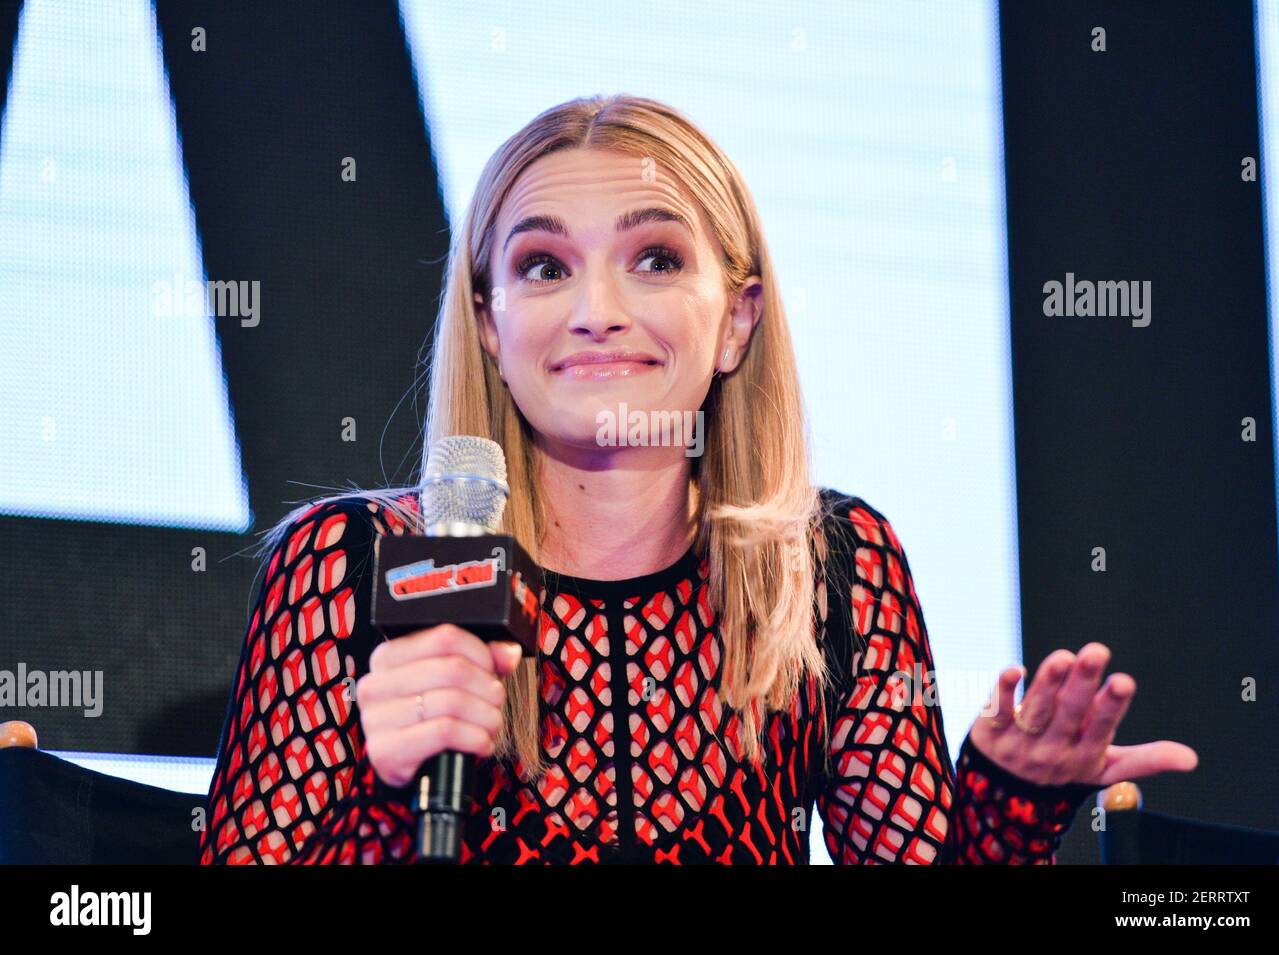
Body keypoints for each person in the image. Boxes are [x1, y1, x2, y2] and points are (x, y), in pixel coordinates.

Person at [197, 94, 1198, 865]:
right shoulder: (353, 562)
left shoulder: (834, 565)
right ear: (491, 325)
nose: (595, 308)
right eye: (545, 266)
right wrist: (381, 796)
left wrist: (1005, 806)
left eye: (654, 257)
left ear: (737, 319)